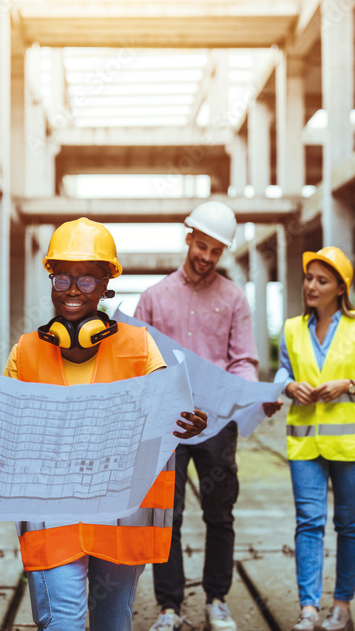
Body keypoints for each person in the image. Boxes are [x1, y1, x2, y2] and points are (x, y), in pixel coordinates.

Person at [0, 217, 207, 631]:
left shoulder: (138, 346)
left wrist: (185, 422)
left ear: (107, 287)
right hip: (51, 516)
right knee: (64, 624)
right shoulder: (26, 352)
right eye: (62, 278)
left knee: (113, 622)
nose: (73, 289)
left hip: (119, 517)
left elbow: (166, 410)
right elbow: (3, 428)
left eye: (87, 280)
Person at [136, 202, 259, 631]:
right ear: (188, 236)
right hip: (168, 423)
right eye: (202, 246)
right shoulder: (153, 299)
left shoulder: (234, 299)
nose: (206, 257)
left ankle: (217, 599)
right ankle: (169, 607)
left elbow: (243, 359)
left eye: (216, 250)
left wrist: (245, 389)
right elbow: (139, 361)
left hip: (217, 425)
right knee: (166, 516)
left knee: (219, 514)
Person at [264, 247, 355, 631]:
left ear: (341, 288)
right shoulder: (291, 329)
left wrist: (350, 385)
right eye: (309, 278)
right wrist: (288, 385)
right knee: (308, 523)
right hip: (306, 443)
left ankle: (342, 606)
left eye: (322, 280)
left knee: (349, 524)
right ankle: (309, 608)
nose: (311, 285)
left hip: (354, 445)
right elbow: (279, 374)